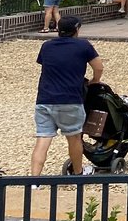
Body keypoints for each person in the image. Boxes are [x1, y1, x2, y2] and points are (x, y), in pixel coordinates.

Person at [30, 16, 101, 178]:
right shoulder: (83, 46)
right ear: (76, 29)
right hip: (70, 99)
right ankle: (78, 173)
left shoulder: (46, 46)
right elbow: (98, 67)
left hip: (45, 99)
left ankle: (33, 181)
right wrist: (94, 81)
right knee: (74, 138)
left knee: (42, 139)